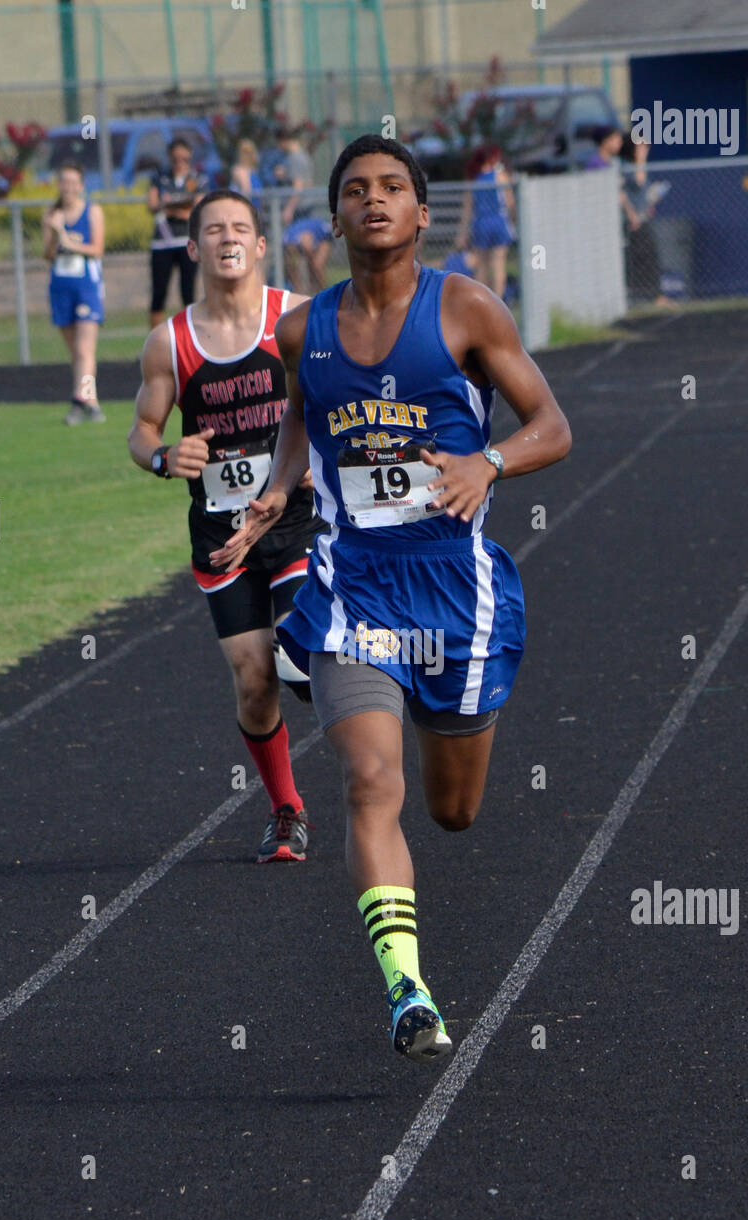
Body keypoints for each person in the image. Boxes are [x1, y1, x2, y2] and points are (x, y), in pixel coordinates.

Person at [210, 135, 571, 1062]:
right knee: (371, 783)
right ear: (333, 217)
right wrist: (276, 493)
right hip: (353, 586)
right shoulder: (303, 329)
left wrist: (485, 462)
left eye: (393, 189)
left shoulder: (465, 308)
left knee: (453, 812)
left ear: (419, 212)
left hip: (454, 588)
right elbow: (302, 418)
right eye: (356, 191)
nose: (375, 201)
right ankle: (407, 991)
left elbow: (552, 426)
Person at [127, 190, 325, 862]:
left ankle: (374, 759)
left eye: (240, 227)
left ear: (260, 245)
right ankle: (286, 808)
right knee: (253, 678)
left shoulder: (294, 318)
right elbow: (143, 431)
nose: (227, 238)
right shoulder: (171, 342)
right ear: (193, 247)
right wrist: (162, 456)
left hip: (297, 517)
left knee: (301, 662)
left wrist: (310, 460)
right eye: (213, 229)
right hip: (221, 533)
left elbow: (338, 400)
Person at [43, 159, 106, 425]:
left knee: (83, 349)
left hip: (86, 287)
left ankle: (78, 402)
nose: (68, 187)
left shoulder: (92, 212)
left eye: (73, 182)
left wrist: (70, 241)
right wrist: (57, 233)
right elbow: (47, 254)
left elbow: (97, 249)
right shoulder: (52, 214)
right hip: (61, 287)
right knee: (76, 353)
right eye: (63, 182)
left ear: (81, 186)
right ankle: (91, 402)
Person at [147, 138, 209, 328]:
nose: (180, 163)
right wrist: (171, 206)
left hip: (186, 241)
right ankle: (154, 340)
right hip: (163, 242)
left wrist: (171, 209)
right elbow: (152, 205)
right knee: (159, 293)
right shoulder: (160, 177)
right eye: (175, 159)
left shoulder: (197, 178)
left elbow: (197, 209)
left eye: (184, 159)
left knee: (188, 292)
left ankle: (190, 338)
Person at [455, 144, 516, 300]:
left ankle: (481, 300)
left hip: (480, 223)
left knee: (481, 265)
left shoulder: (473, 179)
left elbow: (467, 209)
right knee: (498, 263)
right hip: (499, 221)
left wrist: (462, 233)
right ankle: (499, 301)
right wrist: (514, 220)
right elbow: (510, 203)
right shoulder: (500, 176)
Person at [276, 128, 333, 294]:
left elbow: (298, 186)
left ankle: (313, 294)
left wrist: (288, 209)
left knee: (303, 258)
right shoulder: (299, 157)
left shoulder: (295, 158)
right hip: (305, 215)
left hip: (304, 215)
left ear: (283, 140)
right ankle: (309, 295)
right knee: (307, 261)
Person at [619, 133, 671, 307]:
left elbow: (642, 192)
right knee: (636, 258)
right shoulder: (627, 166)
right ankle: (646, 296)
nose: (644, 149)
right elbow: (631, 188)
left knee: (650, 256)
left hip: (643, 217)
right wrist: (640, 159)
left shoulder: (638, 167)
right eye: (640, 146)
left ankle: (656, 296)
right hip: (631, 221)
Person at [230, 138, 263, 209]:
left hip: (249, 209)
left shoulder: (250, 171)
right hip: (248, 209)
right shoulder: (242, 170)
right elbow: (247, 192)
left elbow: (247, 191)